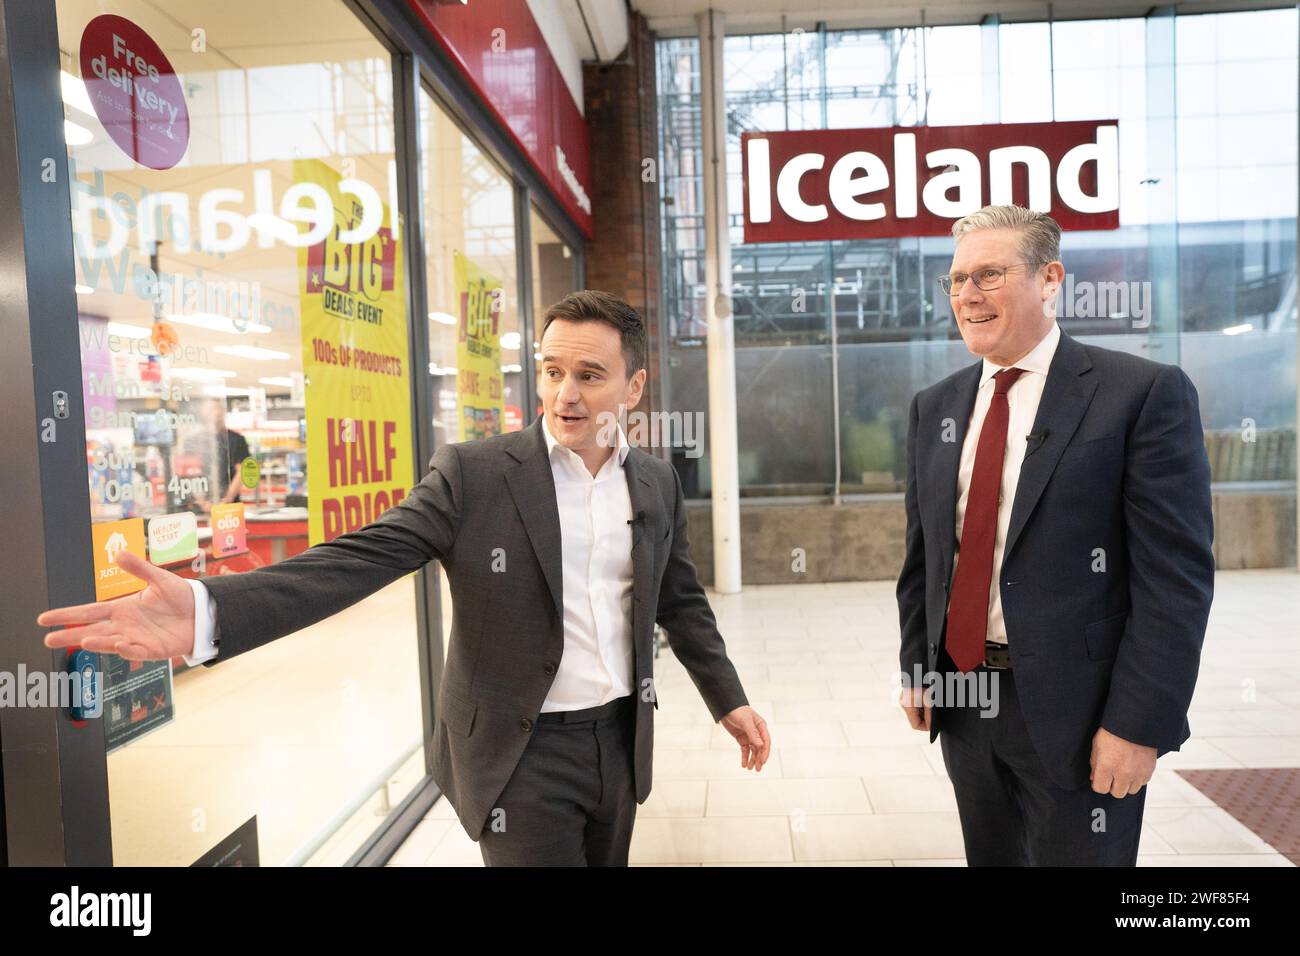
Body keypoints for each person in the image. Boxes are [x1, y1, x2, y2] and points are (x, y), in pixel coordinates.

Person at [39, 290, 770, 867]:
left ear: (634, 387)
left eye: (589, 375)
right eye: (550, 371)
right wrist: (208, 609)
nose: (563, 394)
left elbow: (679, 599)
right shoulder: (478, 475)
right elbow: (361, 558)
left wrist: (726, 699)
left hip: (618, 740)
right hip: (520, 756)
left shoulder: (655, 482)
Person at [895, 204, 1213, 866]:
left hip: (1083, 714)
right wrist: (918, 669)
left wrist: (1137, 724)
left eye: (988, 274)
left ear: (1050, 278)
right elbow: (925, 559)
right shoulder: (937, 407)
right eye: (956, 280)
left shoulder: (1139, 394)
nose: (968, 295)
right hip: (965, 700)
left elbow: (1174, 582)